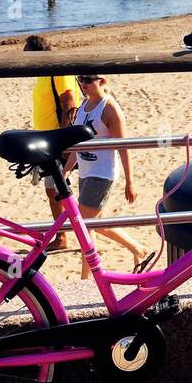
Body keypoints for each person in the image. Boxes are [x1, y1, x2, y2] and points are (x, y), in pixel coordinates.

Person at [64, 72, 150, 274]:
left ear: (101, 80)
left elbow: (123, 145)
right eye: (81, 79)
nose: (83, 84)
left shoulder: (109, 108)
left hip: (102, 174)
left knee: (84, 226)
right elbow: (78, 144)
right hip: (85, 171)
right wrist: (66, 169)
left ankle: (87, 277)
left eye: (88, 79)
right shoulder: (84, 106)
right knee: (96, 223)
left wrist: (130, 181)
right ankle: (138, 249)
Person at [25, 35, 82, 246]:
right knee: (55, 190)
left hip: (56, 141)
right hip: (46, 141)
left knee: (57, 190)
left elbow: (69, 101)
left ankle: (64, 235)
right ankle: (66, 232)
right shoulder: (45, 71)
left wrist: (64, 140)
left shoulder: (56, 69)